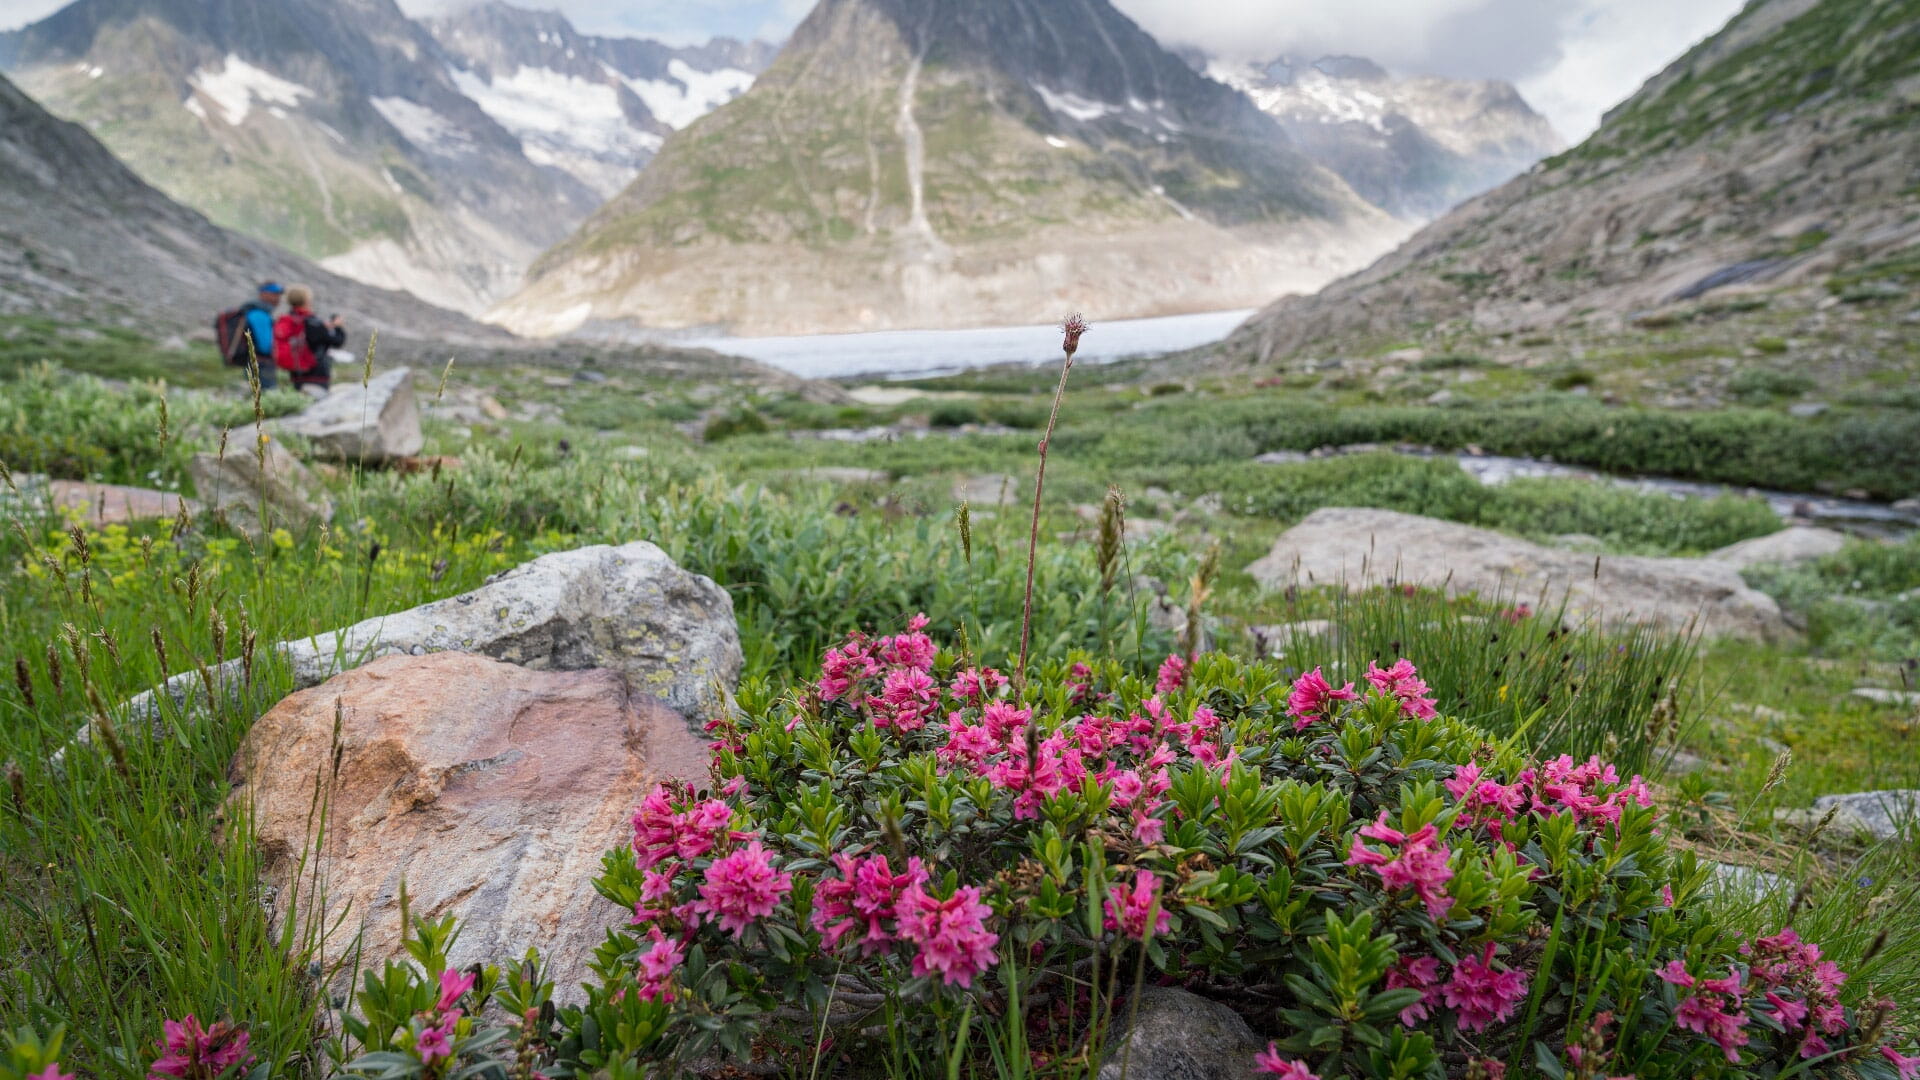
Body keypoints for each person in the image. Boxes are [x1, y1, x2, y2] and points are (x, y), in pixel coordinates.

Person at [273, 285, 346, 395]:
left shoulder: (288, 320)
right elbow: (337, 341)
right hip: (317, 375)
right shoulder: (313, 322)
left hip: (295, 374)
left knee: (298, 401)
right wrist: (338, 327)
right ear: (307, 300)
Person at [239, 282, 283, 390]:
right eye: (274, 294)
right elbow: (266, 346)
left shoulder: (257, 312)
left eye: (278, 294)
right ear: (263, 294)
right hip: (261, 364)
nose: (278, 298)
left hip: (255, 363)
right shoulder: (259, 314)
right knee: (267, 393)